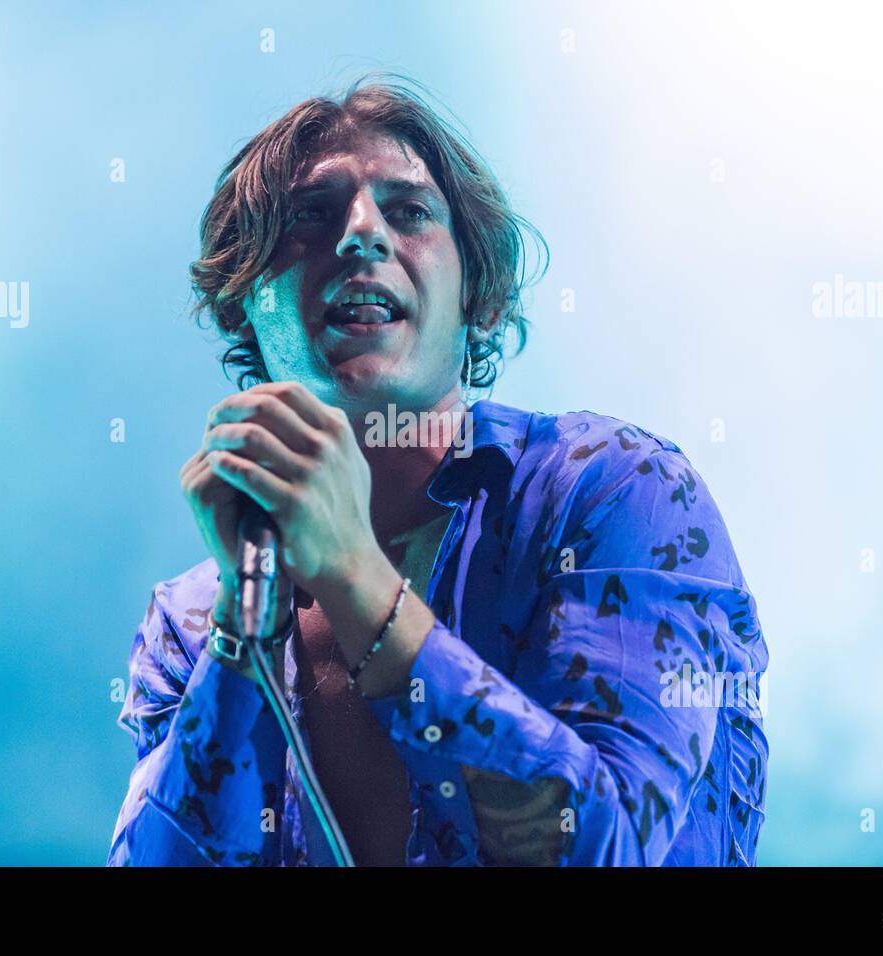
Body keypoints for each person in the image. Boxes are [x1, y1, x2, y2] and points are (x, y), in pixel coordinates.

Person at [106, 73, 768, 866]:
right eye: (311, 217)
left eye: (410, 211)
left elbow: (603, 846)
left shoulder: (614, 493)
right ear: (246, 298)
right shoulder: (189, 624)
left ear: (476, 296)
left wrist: (354, 576)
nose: (360, 235)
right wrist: (241, 639)